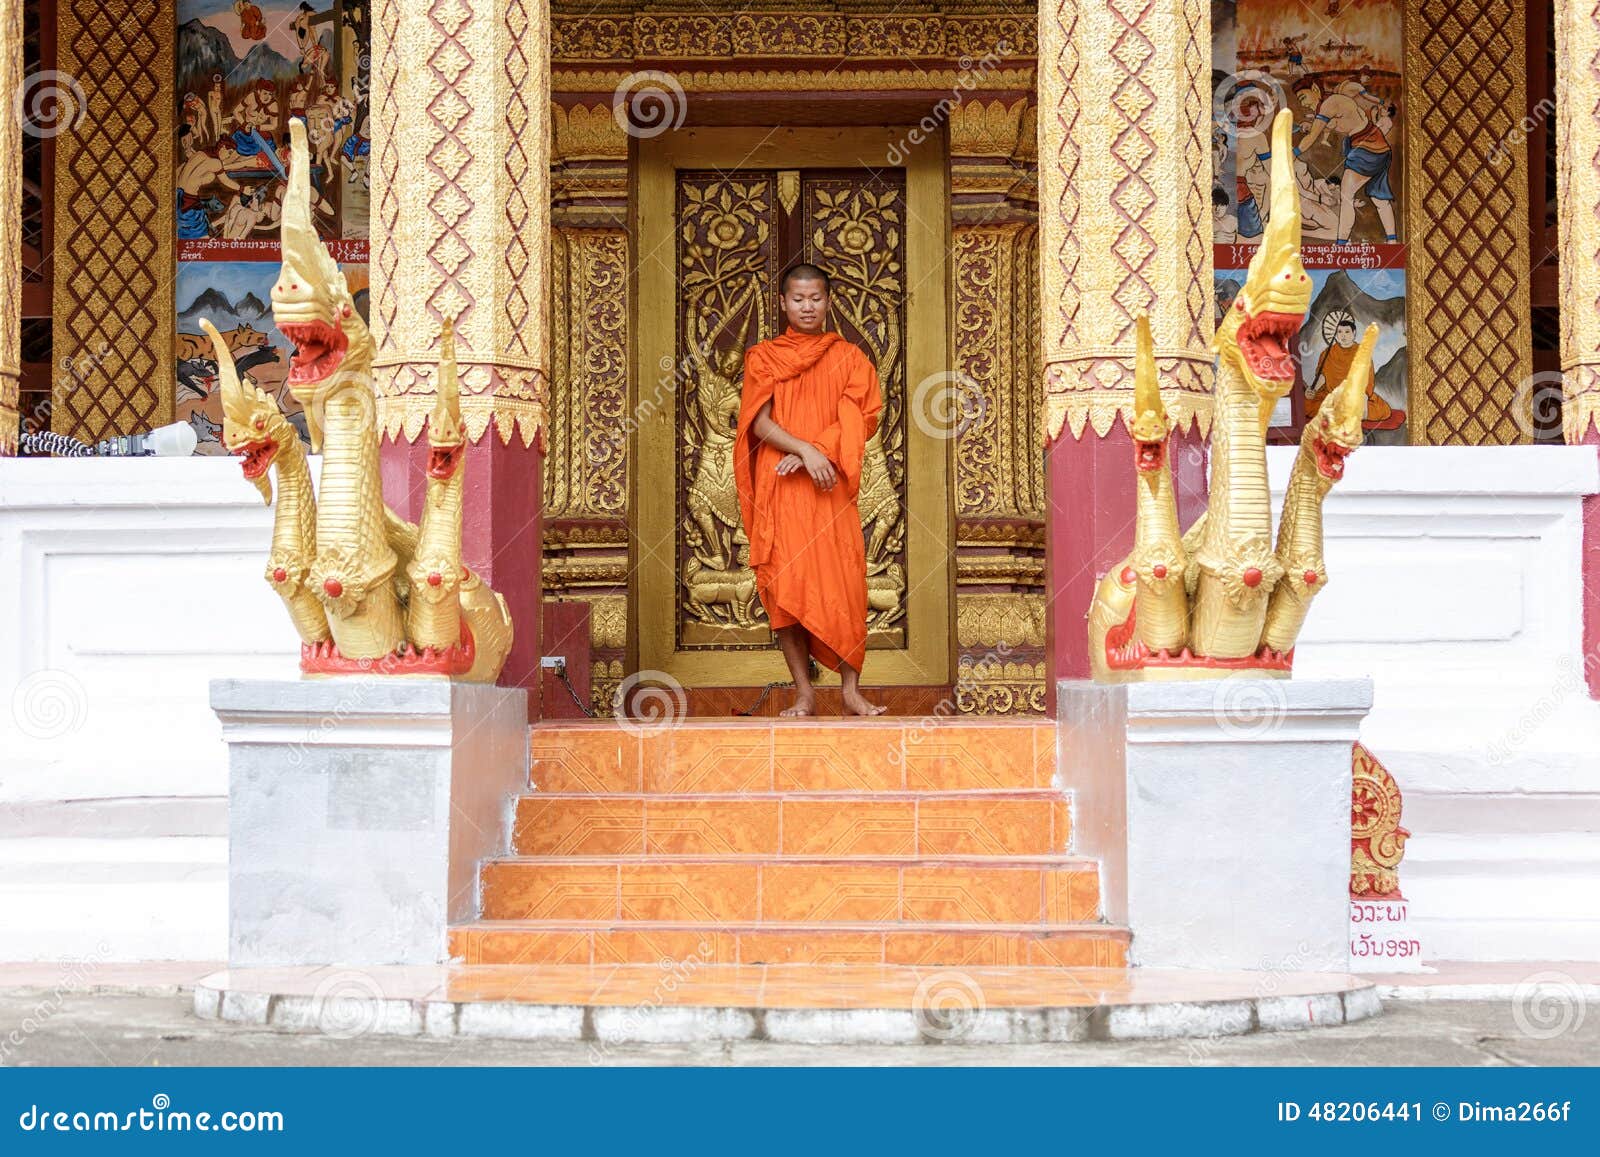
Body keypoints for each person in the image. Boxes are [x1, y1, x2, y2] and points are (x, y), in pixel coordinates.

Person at [734, 263, 887, 717]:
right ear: (783, 303)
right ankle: (804, 692)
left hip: (827, 484)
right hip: (782, 485)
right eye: (798, 299)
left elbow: (861, 418)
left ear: (828, 302)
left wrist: (817, 453)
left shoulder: (850, 358)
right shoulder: (763, 357)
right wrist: (803, 449)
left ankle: (850, 690)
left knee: (843, 583)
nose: (807, 307)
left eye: (815, 299)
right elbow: (757, 422)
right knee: (785, 586)